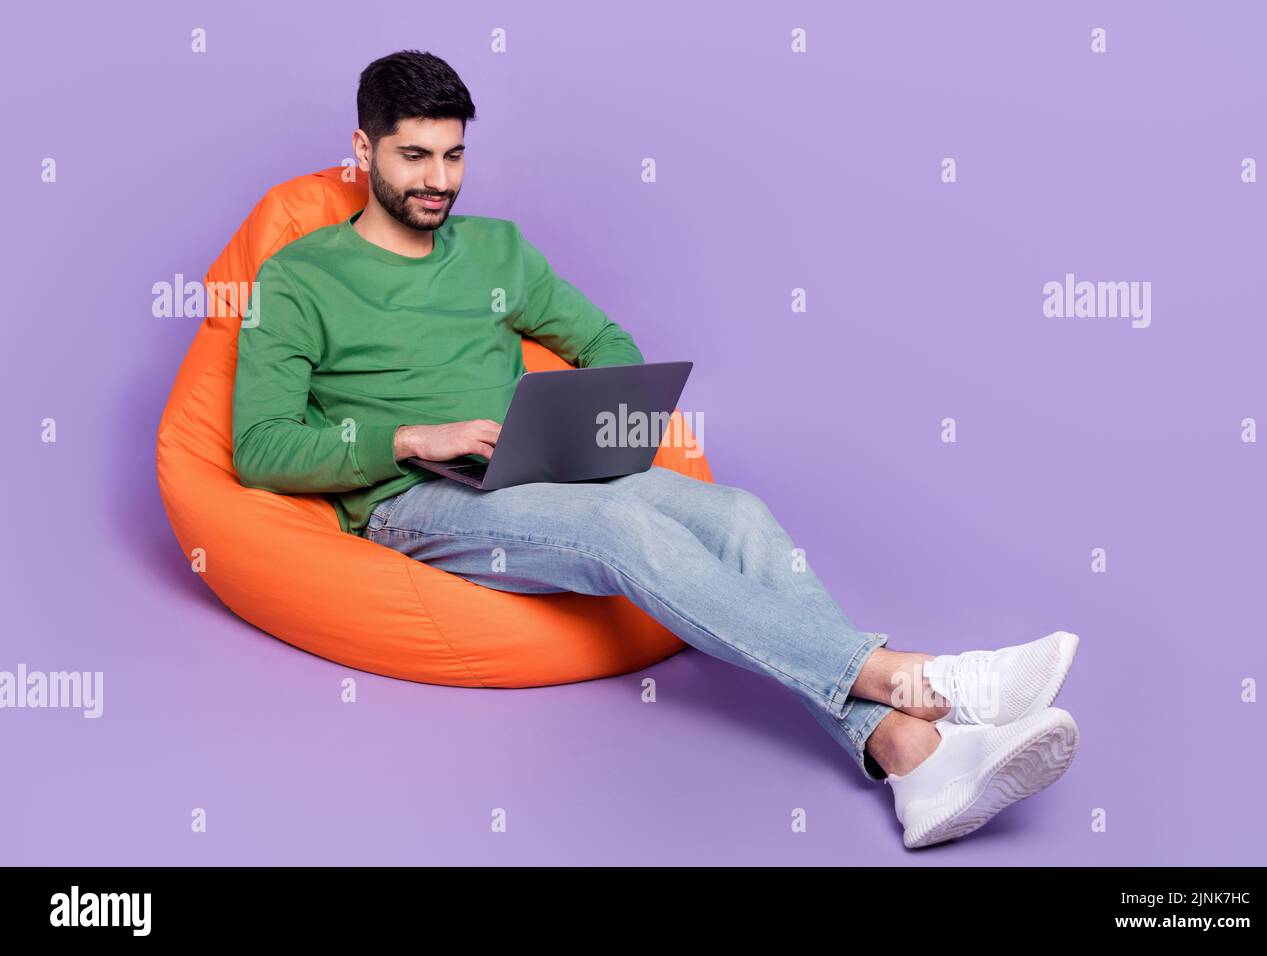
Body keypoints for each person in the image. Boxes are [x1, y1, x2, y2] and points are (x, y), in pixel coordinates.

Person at [232, 50, 1081, 849]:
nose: (439, 181)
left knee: (740, 515)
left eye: (454, 157)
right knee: (621, 530)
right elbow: (260, 448)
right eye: (416, 156)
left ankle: (911, 758)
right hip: (413, 499)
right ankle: (917, 680)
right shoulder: (301, 278)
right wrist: (415, 438)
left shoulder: (496, 250)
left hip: (536, 465)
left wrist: (573, 421)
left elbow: (604, 339)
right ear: (362, 148)